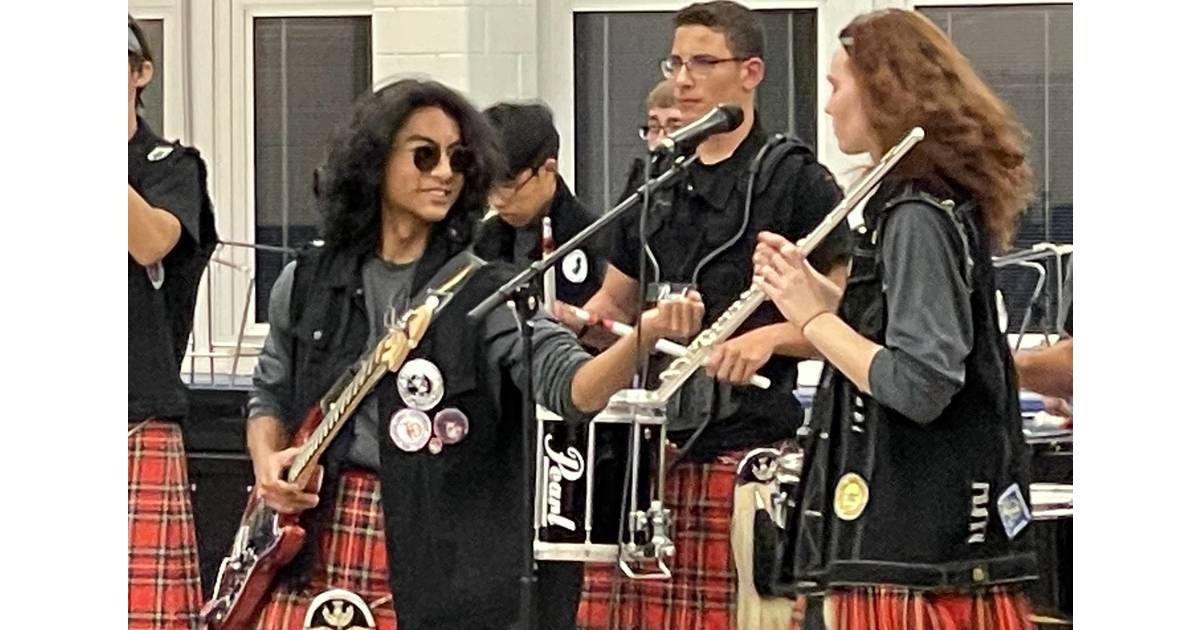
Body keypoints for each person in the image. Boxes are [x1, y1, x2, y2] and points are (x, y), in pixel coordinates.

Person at [244, 77, 702, 630]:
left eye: (459, 158)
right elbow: (269, 391)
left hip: (438, 557)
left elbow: (572, 389)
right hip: (318, 544)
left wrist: (643, 337)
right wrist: (267, 461)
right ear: (373, 162)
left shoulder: (490, 289)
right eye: (424, 154)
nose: (444, 172)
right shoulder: (306, 280)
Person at [752, 9, 1039, 629]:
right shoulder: (912, 208)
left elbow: (921, 384)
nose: (827, 107)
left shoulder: (915, 216)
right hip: (905, 555)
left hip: (914, 562)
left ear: (883, 91)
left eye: (835, 86)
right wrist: (816, 297)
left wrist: (811, 322)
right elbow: (888, 333)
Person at [571, 3, 851, 628]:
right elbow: (613, 303)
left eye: (704, 62)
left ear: (751, 72)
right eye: (677, 62)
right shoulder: (652, 178)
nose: (683, 80)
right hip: (645, 461)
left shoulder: (797, 181)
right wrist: (566, 324)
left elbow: (848, 318)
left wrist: (771, 339)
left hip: (742, 455)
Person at [127, 15, 217, 630]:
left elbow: (152, 242)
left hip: (134, 411)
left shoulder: (169, 166)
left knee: (145, 616)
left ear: (141, 73)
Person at [474, 101, 606, 308]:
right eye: (488, 186)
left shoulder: (597, 242)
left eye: (509, 186)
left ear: (549, 169)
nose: (497, 201)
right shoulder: (480, 243)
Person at [615, 79, 685, 203]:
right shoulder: (643, 179)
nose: (661, 139)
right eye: (654, 127)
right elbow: (613, 222)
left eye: (675, 128)